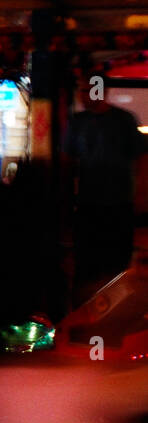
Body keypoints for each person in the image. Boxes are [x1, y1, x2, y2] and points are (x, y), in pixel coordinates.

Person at [63, 72, 148, 301]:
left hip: (118, 202)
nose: (82, 95)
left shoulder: (123, 120)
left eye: (86, 90)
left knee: (115, 262)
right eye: (80, 90)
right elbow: (67, 160)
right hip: (89, 203)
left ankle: (114, 309)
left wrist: (141, 193)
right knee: (86, 262)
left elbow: (142, 158)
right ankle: (84, 309)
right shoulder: (77, 122)